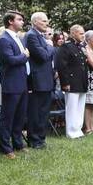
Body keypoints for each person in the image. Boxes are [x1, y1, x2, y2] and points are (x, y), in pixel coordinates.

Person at [0, 11, 29, 157]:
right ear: (10, 21)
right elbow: (10, 60)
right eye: (19, 19)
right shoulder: (4, 39)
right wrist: (24, 56)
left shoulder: (18, 38)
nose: (22, 22)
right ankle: (5, 148)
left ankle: (18, 144)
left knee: (20, 116)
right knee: (7, 117)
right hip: (10, 83)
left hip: (21, 81)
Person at [24, 11, 56, 149]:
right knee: (36, 112)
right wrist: (49, 45)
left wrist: (48, 47)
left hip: (46, 79)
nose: (46, 23)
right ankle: (35, 139)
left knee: (43, 111)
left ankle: (41, 139)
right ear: (35, 22)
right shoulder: (31, 36)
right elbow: (43, 56)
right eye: (43, 21)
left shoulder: (40, 36)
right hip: (38, 80)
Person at [56, 24, 88, 139]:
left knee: (80, 107)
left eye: (84, 33)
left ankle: (78, 130)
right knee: (72, 107)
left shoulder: (80, 47)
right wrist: (65, 83)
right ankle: (71, 131)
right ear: (73, 33)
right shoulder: (66, 47)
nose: (83, 36)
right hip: (71, 82)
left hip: (81, 81)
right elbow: (62, 66)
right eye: (81, 33)